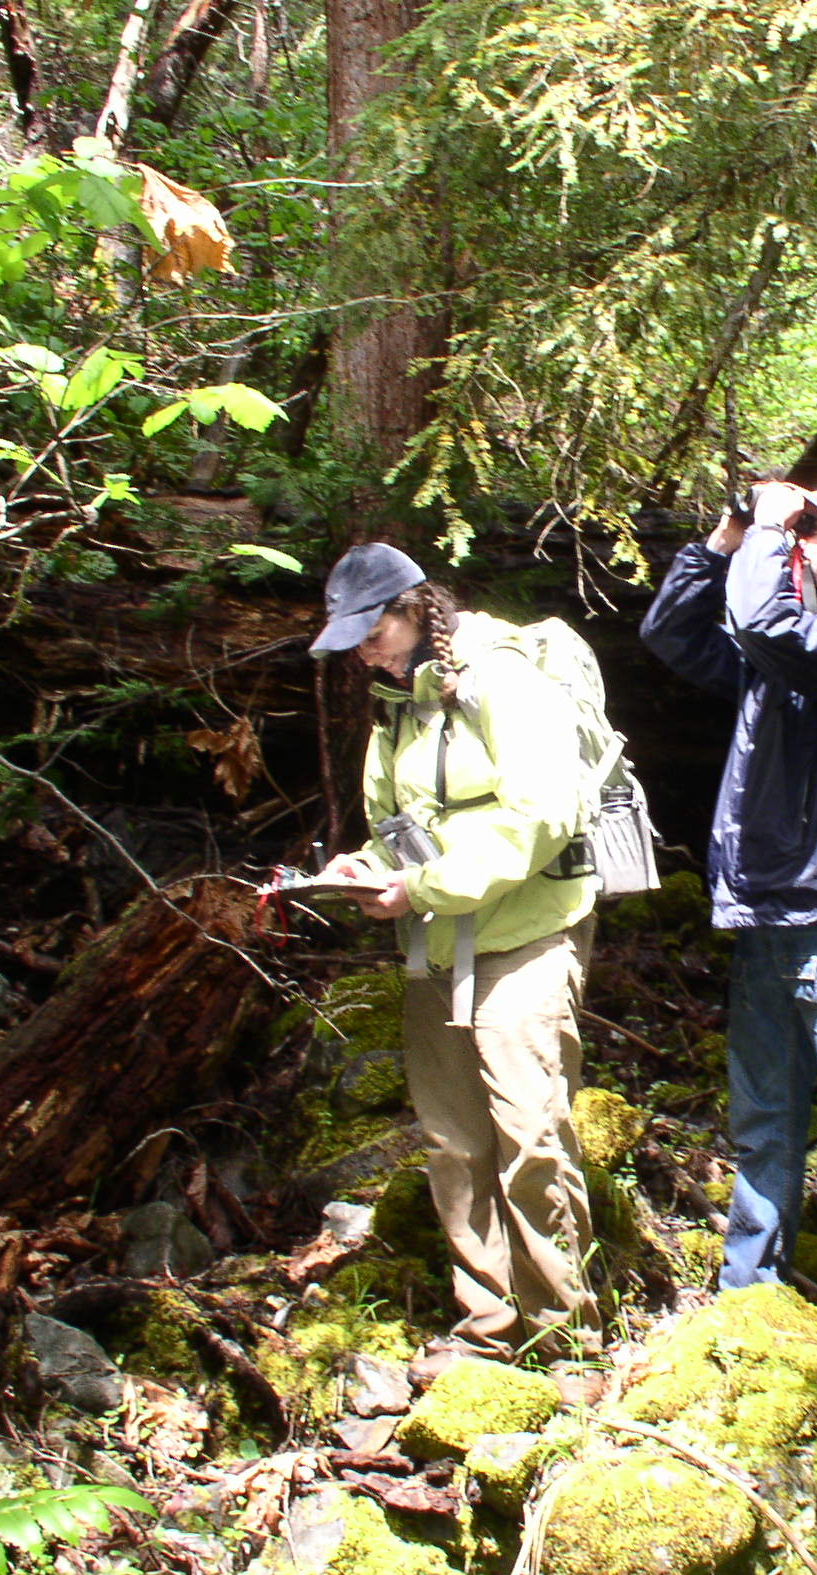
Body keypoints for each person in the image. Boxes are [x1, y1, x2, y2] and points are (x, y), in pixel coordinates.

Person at [640, 482, 817, 1357]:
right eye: (796, 529)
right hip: (766, 911)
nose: (795, 541)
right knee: (763, 1118)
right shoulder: (777, 635)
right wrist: (724, 541)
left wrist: (769, 532)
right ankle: (748, 1287)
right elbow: (672, 634)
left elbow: (768, 627)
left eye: (812, 531)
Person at [310, 542, 602, 1372]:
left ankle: (565, 1336)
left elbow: (543, 813)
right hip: (436, 943)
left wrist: (428, 887)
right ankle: (487, 1324)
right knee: (452, 1140)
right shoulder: (395, 704)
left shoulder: (503, 679)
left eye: (371, 631)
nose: (362, 650)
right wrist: (361, 872)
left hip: (527, 934)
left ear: (414, 609)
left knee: (528, 1130)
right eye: (354, 638)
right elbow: (392, 828)